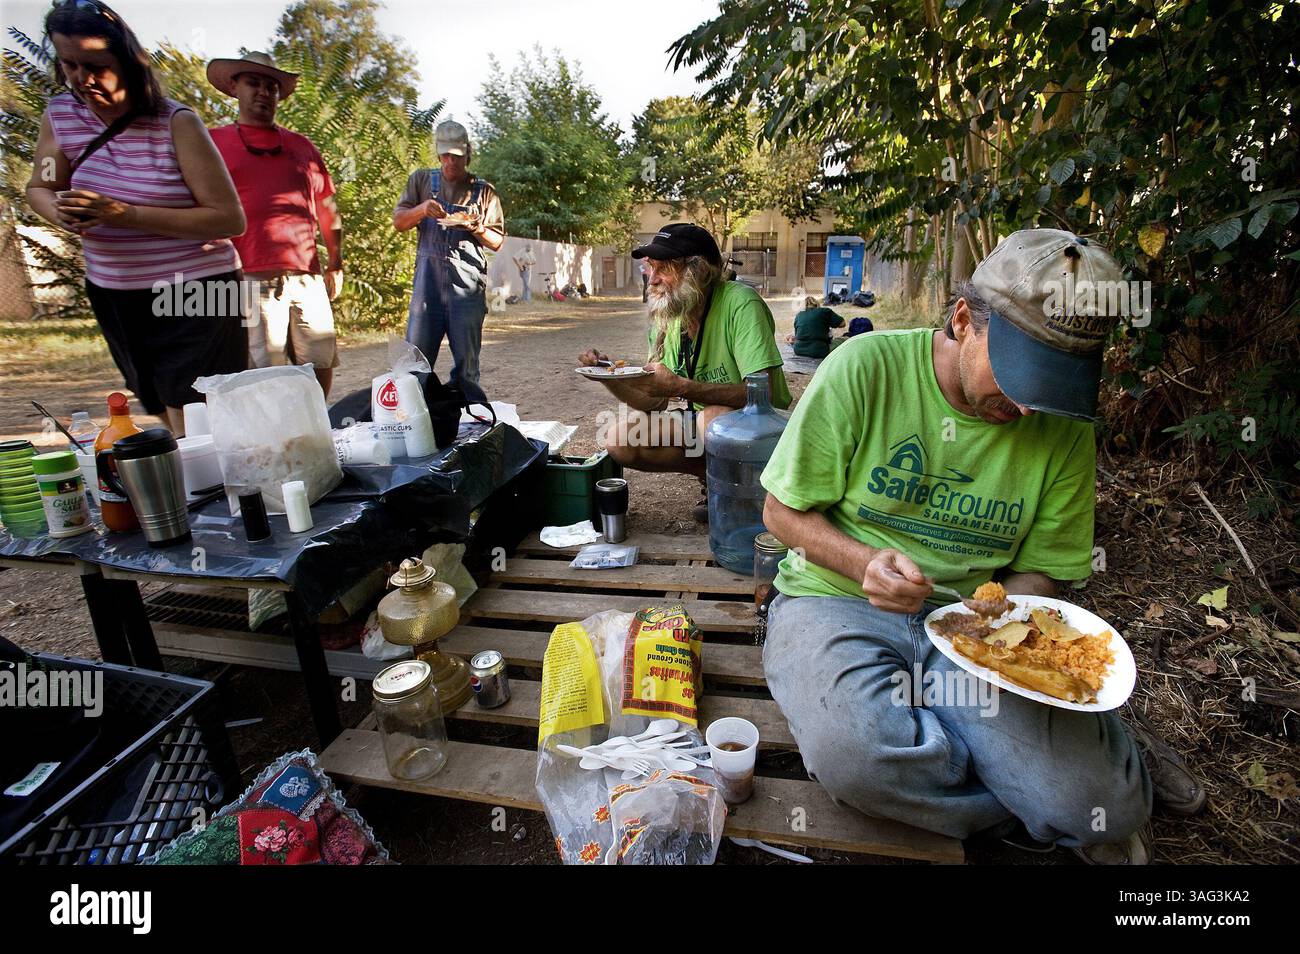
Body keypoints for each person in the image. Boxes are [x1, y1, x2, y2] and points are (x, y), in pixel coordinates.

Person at [759, 229, 1204, 864]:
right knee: (856, 763)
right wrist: (864, 563)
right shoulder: (866, 368)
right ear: (964, 320)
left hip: (975, 625)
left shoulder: (1059, 425)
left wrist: (980, 622)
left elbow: (1045, 574)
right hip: (835, 599)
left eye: (1053, 383)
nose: (1029, 406)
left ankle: (1059, 772)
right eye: (1020, 373)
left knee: (1102, 807)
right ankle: (1021, 779)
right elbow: (782, 510)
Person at [26, 0, 247, 436]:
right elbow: (41, 186)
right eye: (69, 65)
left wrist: (121, 214)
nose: (82, 79)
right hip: (116, 293)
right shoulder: (60, 117)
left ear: (127, 60)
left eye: (95, 65)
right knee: (157, 404)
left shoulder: (175, 122)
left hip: (198, 287)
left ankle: (226, 499)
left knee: (200, 415)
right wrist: (59, 212)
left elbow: (228, 219)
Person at [578, 223, 791, 521]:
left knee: (712, 417)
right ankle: (714, 480)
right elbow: (654, 400)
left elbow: (763, 392)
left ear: (698, 270)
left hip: (764, 430)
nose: (652, 280)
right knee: (620, 439)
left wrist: (682, 387)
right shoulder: (671, 314)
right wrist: (609, 377)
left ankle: (747, 494)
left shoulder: (740, 303)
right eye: (651, 268)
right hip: (709, 428)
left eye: (664, 268)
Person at [207, 51, 343, 398]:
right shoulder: (212, 143)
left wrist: (336, 261)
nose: (264, 92)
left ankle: (317, 421)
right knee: (266, 367)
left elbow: (327, 205)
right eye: (254, 83)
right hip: (249, 276)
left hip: (306, 275)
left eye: (271, 86)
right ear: (235, 87)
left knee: (320, 356)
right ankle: (278, 437)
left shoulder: (302, 147)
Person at [393, 120, 505, 405]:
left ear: (468, 153)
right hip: (426, 289)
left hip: (466, 290)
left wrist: (477, 226)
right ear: (438, 153)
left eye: (456, 155)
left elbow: (497, 241)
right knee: (414, 365)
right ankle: (417, 423)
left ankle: (470, 425)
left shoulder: (484, 191)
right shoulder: (420, 181)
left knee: (467, 370)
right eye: (445, 154)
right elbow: (399, 222)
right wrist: (421, 209)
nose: (450, 161)